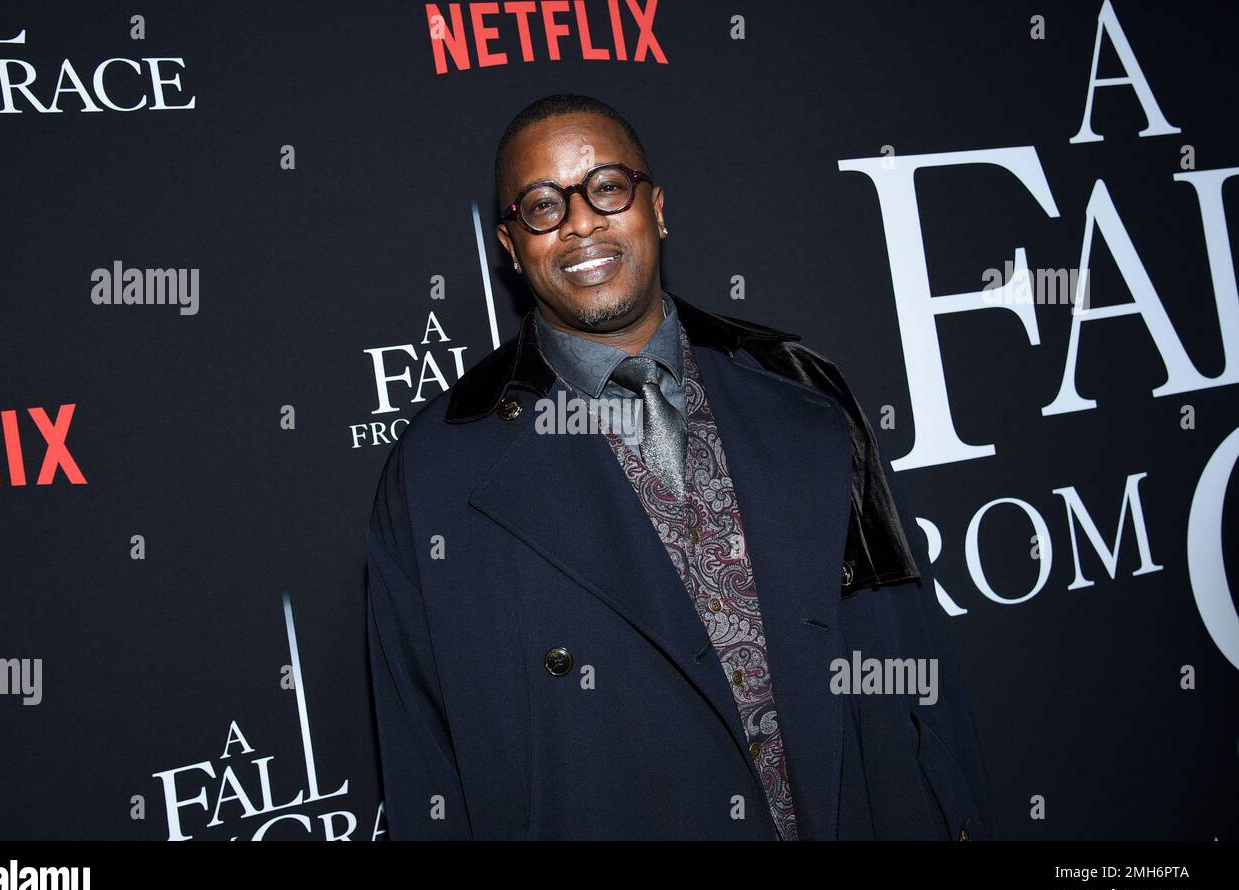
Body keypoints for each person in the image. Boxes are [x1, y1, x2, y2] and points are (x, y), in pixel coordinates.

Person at [364, 92, 998, 840]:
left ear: (656, 208)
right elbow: (424, 759)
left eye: (607, 187)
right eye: (543, 205)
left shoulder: (802, 387)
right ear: (511, 245)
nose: (581, 221)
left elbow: (907, 643)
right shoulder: (436, 471)